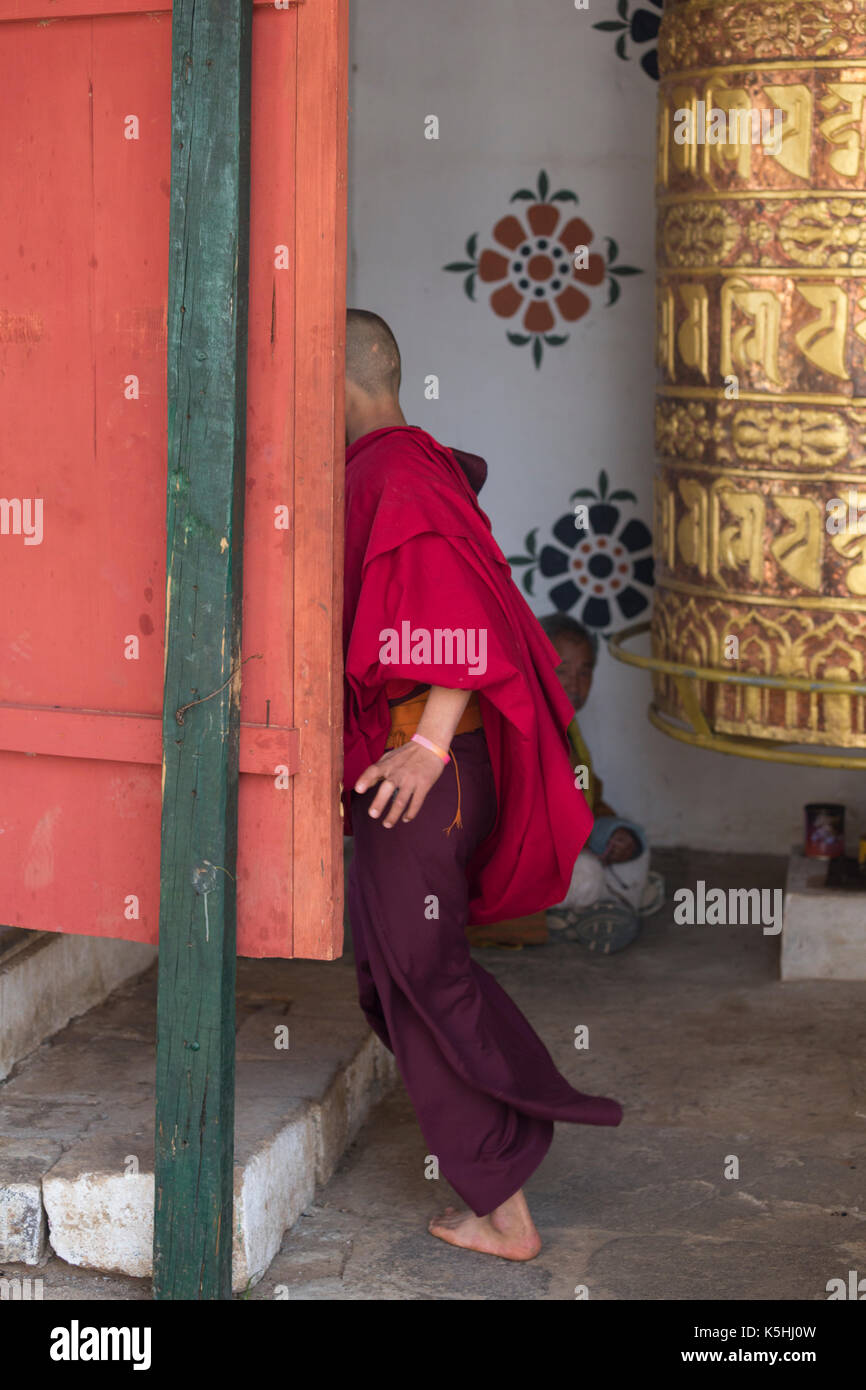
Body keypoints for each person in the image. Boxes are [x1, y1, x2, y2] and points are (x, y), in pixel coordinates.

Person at [342, 309, 622, 1260]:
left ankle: (504, 1199)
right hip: (441, 771)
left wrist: (423, 745)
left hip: (426, 770)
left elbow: (460, 619)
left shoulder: (388, 472)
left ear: (327, 381)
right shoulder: (414, 461)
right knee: (400, 969)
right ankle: (510, 1149)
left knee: (420, 973)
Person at [538, 612, 663, 953]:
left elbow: (588, 796)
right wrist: (585, 842)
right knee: (588, 875)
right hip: (533, 860)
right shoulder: (527, 728)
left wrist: (611, 832)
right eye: (561, 671)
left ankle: (586, 912)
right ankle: (602, 907)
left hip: (574, 849)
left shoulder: (569, 730)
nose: (575, 684)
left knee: (635, 841)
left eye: (585, 671)